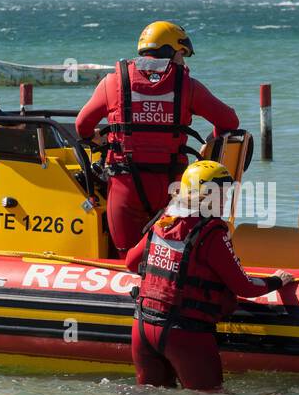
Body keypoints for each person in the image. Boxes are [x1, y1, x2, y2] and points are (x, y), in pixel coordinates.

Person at [125, 161, 294, 391]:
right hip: (185, 334)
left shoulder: (162, 220)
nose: (225, 200)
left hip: (143, 328)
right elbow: (244, 287)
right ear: (201, 196)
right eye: (220, 194)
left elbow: (131, 262)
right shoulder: (211, 231)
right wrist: (277, 281)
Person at [76, 21, 239, 254]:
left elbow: (82, 125)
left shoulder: (112, 83)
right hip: (172, 189)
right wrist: (210, 145)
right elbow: (229, 122)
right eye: (182, 55)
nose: (183, 61)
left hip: (125, 187)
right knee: (170, 256)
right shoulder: (188, 86)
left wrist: (96, 138)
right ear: (172, 51)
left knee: (127, 257)